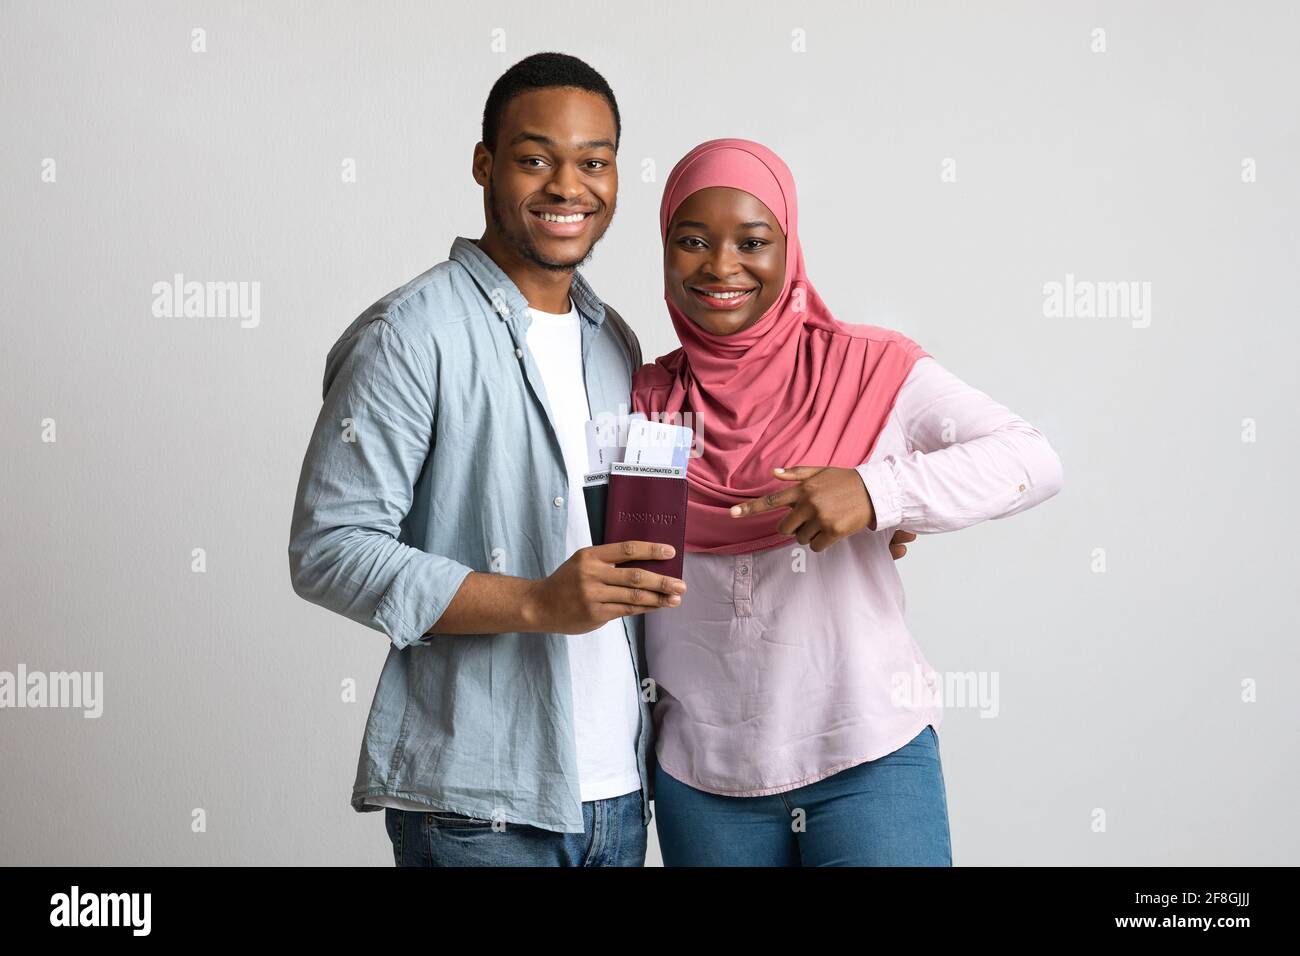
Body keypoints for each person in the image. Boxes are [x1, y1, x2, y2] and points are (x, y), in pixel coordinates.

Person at [287, 52, 685, 866]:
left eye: (594, 162)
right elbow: (328, 550)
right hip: (479, 810)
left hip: (619, 796)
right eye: (535, 158)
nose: (567, 187)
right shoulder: (411, 335)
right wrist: (536, 602)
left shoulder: (616, 342)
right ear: (484, 165)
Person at [632, 138, 1065, 866]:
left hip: (869, 755)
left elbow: (1032, 458)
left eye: (753, 241)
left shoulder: (871, 369)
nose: (721, 265)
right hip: (701, 775)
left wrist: (875, 491)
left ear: (790, 246)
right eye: (693, 241)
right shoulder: (644, 400)